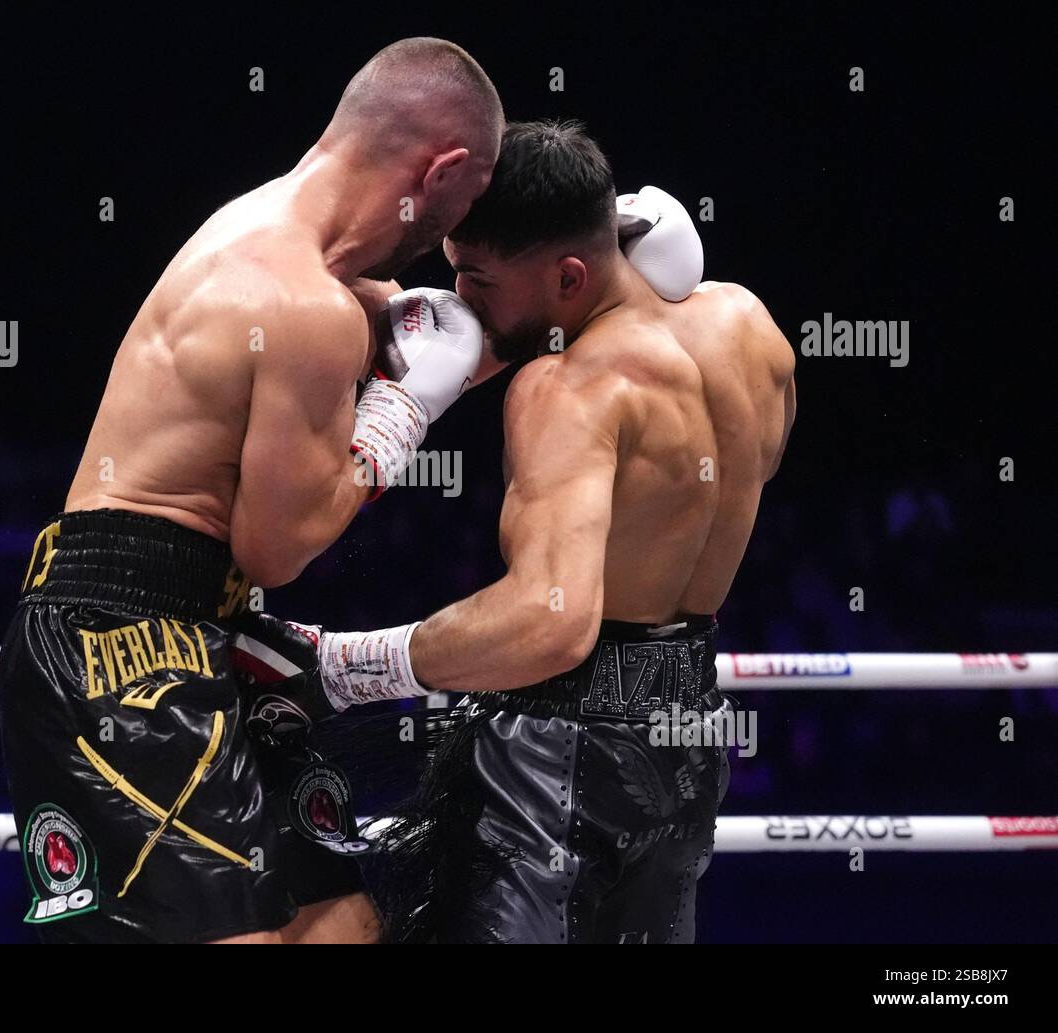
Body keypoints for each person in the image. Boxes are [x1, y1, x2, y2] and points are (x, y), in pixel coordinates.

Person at [0, 37, 503, 944]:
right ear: (444, 167)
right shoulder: (304, 307)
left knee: (340, 926)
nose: (463, 236)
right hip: (117, 638)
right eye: (473, 198)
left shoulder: (269, 235)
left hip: (196, 621)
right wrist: (401, 418)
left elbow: (404, 321)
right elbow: (279, 547)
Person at [240, 120, 796, 943]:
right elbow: (719, 484)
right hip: (687, 734)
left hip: (561, 755)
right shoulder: (749, 330)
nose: (463, 305)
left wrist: (341, 666)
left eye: (479, 281)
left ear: (570, 273)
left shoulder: (566, 390)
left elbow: (551, 619)